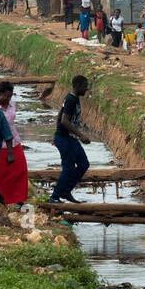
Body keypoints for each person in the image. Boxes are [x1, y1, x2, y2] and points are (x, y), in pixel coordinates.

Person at [49, 75, 91, 203]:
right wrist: (81, 136)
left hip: (69, 138)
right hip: (66, 139)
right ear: (77, 86)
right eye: (85, 86)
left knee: (84, 164)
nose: (86, 89)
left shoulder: (73, 98)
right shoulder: (71, 100)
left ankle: (66, 191)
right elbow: (64, 121)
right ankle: (54, 197)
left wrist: (55, 134)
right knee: (68, 168)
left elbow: (60, 115)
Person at [0, 81, 29, 204]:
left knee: (20, 169)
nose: (8, 99)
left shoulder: (12, 105)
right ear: (0, 94)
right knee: (2, 173)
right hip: (1, 144)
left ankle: (19, 198)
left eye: (10, 96)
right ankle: (1, 198)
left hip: (14, 140)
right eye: (6, 96)